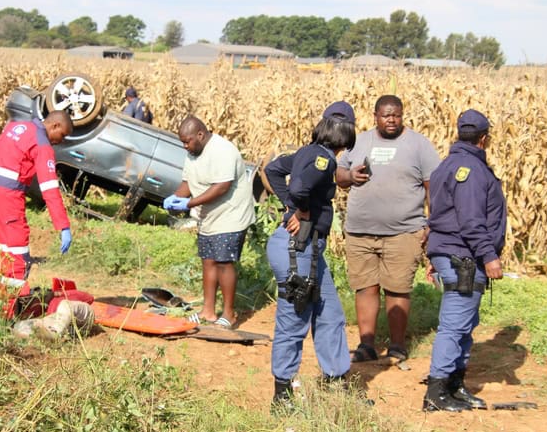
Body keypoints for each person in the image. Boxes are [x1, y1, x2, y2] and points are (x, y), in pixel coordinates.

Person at [264, 101, 362, 408]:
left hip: (310, 249)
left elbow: (272, 170)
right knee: (294, 321)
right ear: (345, 134)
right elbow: (300, 188)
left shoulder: (306, 152)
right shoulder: (323, 160)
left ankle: (336, 383)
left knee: (331, 315)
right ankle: (282, 396)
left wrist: (292, 206)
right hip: (298, 249)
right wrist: (300, 208)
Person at [336, 95, 440, 363]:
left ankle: (397, 346)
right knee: (365, 287)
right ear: (375, 116)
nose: (391, 120)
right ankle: (366, 345)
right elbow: (338, 175)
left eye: (396, 115)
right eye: (385, 115)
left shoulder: (419, 145)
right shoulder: (358, 142)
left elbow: (434, 188)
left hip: (404, 232)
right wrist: (349, 176)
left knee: (397, 288)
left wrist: (434, 224)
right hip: (360, 231)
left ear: (402, 115)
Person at [422, 109, 506, 412]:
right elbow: (470, 221)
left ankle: (455, 386)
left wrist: (437, 251)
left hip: (452, 252)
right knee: (454, 325)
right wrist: (489, 256)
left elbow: (439, 214)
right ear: (484, 139)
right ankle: (436, 391)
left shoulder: (447, 165)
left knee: (466, 322)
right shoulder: (470, 169)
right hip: (465, 256)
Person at [163, 116, 255, 329]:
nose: (185, 146)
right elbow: (188, 182)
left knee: (223, 262)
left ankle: (229, 314)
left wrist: (190, 203)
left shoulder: (223, 151)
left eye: (187, 141)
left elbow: (222, 186)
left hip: (231, 214)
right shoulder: (193, 153)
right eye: (183, 142)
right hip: (209, 216)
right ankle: (208, 311)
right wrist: (175, 198)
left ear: (200, 135)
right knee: (208, 260)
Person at [0, 111, 74, 304]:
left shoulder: (16, 127)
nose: (60, 141)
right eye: (62, 135)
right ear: (54, 126)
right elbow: (49, 187)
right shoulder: (42, 144)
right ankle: (10, 311)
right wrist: (63, 226)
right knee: (17, 253)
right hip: (8, 199)